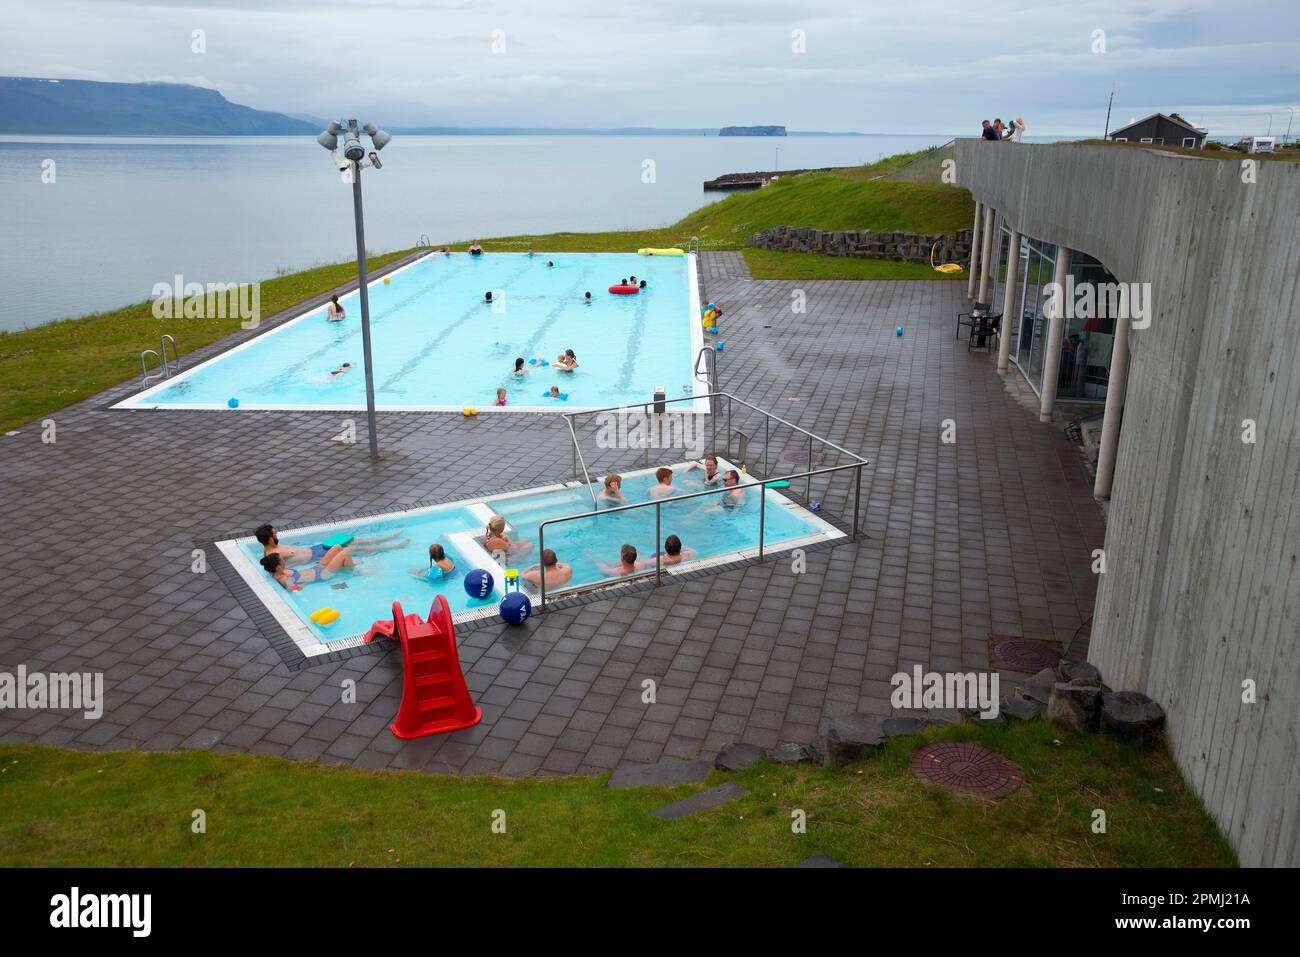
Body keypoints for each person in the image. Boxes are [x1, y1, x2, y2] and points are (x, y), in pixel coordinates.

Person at [255, 524, 406, 565]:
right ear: (269, 538)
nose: (277, 535)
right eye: (275, 534)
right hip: (319, 556)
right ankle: (394, 546)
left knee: (354, 540)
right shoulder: (273, 556)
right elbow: (278, 569)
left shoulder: (275, 547)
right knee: (355, 548)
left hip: (316, 549)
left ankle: (388, 538)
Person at [261, 549, 351, 591]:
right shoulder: (284, 579)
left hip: (317, 568)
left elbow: (268, 562)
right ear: (278, 567)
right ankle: (352, 574)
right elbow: (296, 589)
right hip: (322, 575)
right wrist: (305, 582)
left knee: (337, 547)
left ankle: (347, 565)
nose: (284, 560)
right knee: (344, 554)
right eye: (282, 560)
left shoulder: (273, 569)